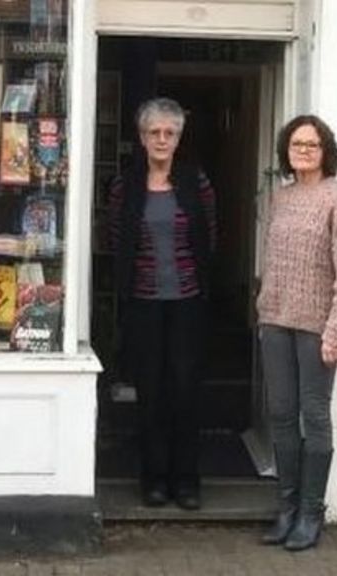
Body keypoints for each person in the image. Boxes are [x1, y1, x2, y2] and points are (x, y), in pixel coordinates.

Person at [257, 115, 337, 551]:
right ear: (287, 149)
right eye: (296, 144)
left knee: (315, 418)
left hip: (317, 328)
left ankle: (310, 513)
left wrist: (336, 331)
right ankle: (286, 509)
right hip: (276, 322)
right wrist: (263, 306)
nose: (303, 150)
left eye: (312, 144)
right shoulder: (282, 199)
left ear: (326, 151)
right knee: (281, 414)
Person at [108, 97, 218, 510]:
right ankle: (153, 480)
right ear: (141, 137)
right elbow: (116, 240)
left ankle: (187, 482)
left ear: (178, 138)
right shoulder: (124, 185)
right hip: (143, 304)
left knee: (185, 390)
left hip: (187, 303)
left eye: (169, 133)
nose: (161, 139)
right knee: (150, 391)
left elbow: (210, 236)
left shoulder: (196, 182)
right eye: (154, 132)